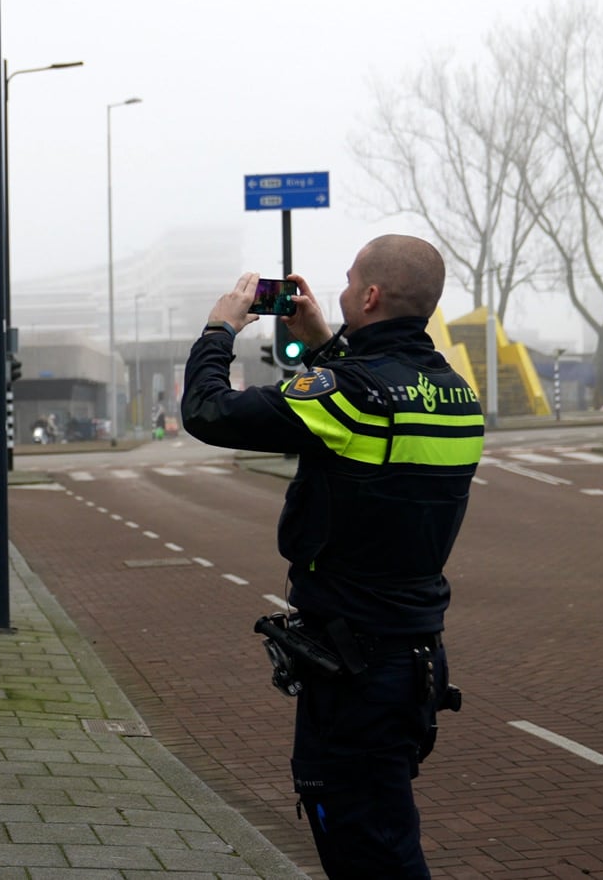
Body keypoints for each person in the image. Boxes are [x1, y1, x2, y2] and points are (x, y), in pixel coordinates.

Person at [181, 235, 483, 879]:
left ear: (370, 295)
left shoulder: (347, 395)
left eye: (349, 283)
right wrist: (327, 345)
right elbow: (381, 410)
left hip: (354, 667)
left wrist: (218, 330)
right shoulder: (460, 397)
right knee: (384, 828)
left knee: (368, 849)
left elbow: (209, 413)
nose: (341, 293)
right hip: (415, 658)